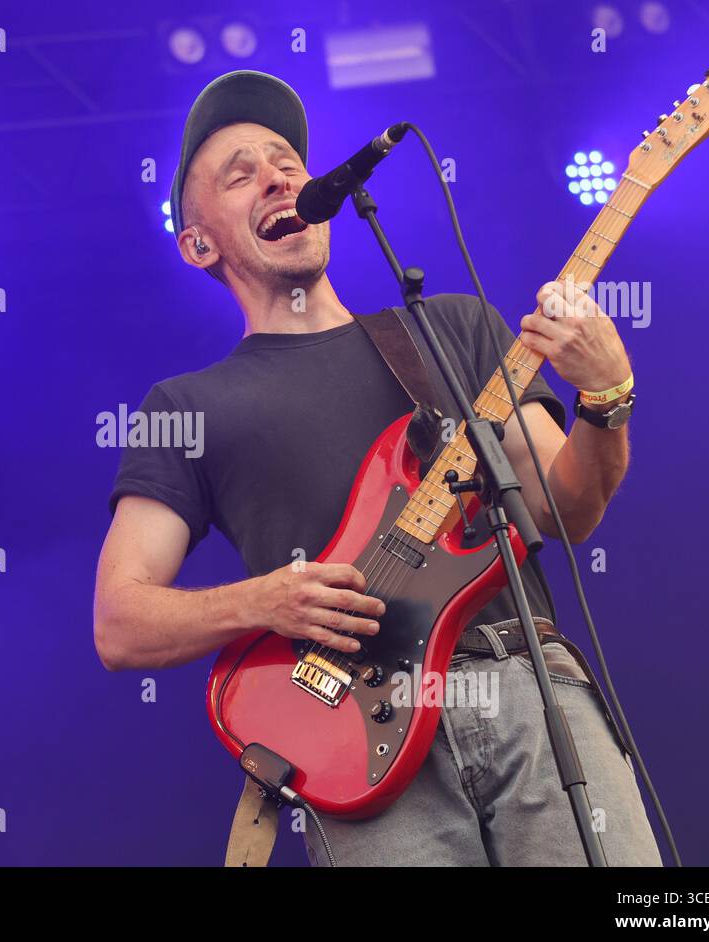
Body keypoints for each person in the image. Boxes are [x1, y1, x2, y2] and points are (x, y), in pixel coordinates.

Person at [94, 71, 656, 866]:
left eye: (286, 159)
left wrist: (607, 397)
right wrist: (268, 600)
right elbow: (121, 624)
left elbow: (568, 512)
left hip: (529, 692)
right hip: (352, 741)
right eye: (240, 172)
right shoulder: (188, 406)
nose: (278, 176)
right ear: (198, 242)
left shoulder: (452, 329)